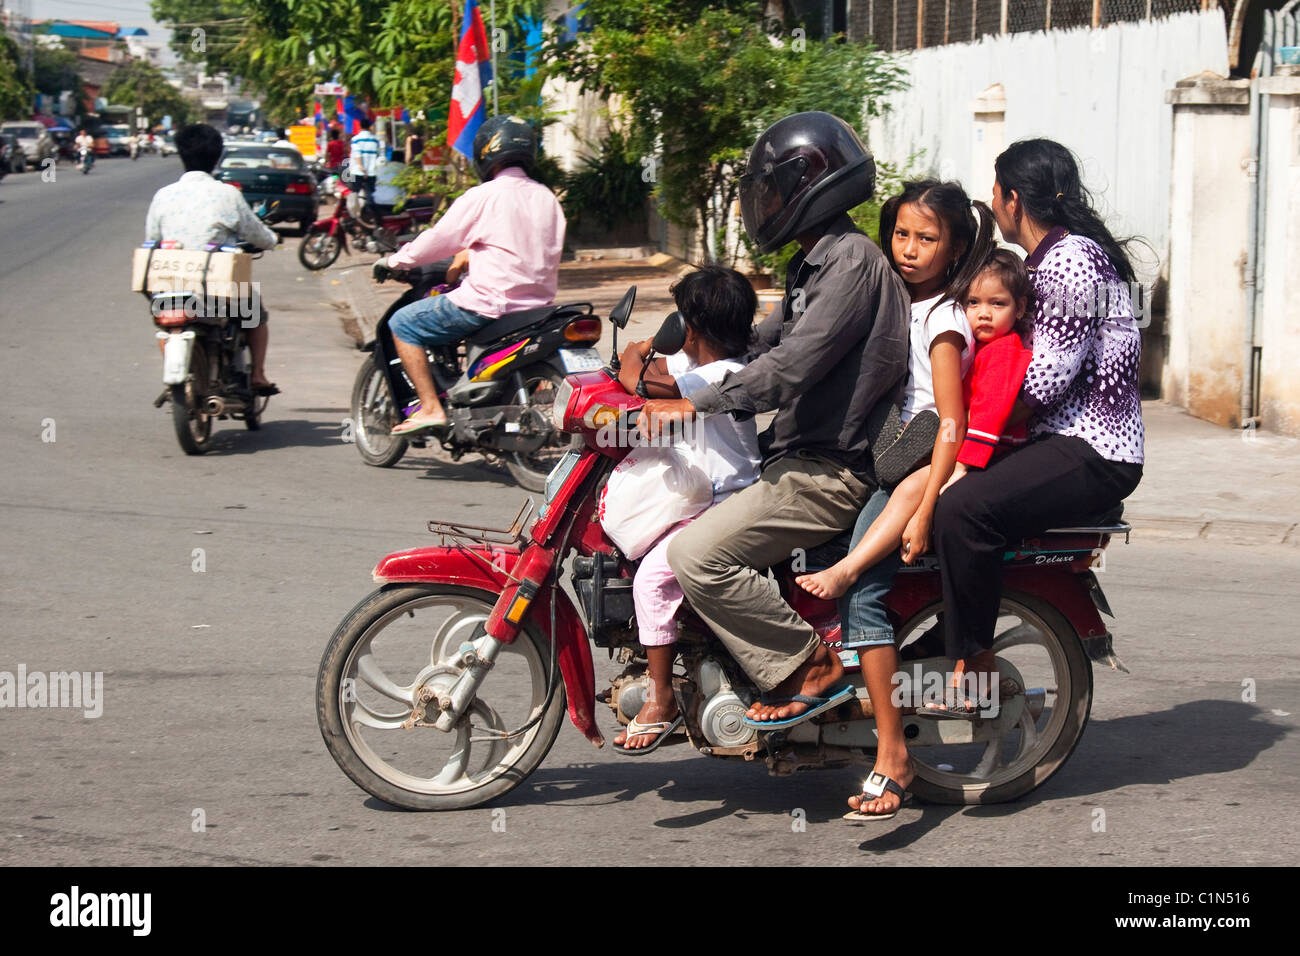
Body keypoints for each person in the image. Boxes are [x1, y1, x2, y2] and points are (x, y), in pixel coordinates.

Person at [638, 111, 910, 757]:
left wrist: (696, 400)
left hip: (829, 471)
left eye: (772, 191)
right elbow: (762, 341)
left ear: (812, 183)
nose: (768, 205)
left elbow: (791, 367)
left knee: (696, 557)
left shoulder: (850, 264)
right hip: (794, 458)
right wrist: (667, 368)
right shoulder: (813, 265)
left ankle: (806, 664)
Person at [931, 138, 1145, 714]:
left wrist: (967, 430)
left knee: (962, 508)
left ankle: (973, 668)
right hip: (1062, 442)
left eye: (996, 192)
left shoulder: (1070, 258)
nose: (992, 202)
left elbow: (1042, 382)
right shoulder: (1044, 260)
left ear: (1013, 199)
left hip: (1094, 449)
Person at [795, 180, 994, 601]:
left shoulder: (943, 321)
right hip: (893, 449)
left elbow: (950, 421)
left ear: (955, 249)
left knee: (863, 596)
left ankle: (845, 575)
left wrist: (925, 510)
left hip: (924, 456)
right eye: (901, 234)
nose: (908, 249)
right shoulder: (903, 299)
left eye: (926, 239)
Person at [607, 267, 763, 751]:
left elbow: (637, 375)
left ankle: (662, 699)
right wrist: (668, 337)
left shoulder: (719, 376)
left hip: (725, 501)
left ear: (691, 330)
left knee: (653, 576)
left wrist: (653, 342)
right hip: (701, 495)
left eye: (682, 320)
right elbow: (636, 369)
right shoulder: (709, 367)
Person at [374, 115, 566, 435]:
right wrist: (467, 254)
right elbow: (520, 243)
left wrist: (396, 262)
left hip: (488, 304)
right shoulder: (547, 198)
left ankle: (431, 408)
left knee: (403, 323)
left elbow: (437, 240)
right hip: (537, 308)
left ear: (485, 152)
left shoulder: (484, 196)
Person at [144, 123, 280, 395]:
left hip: (171, 284)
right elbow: (257, 234)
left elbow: (151, 239)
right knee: (255, 316)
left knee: (164, 319)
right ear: (217, 156)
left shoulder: (163, 196)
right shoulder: (228, 194)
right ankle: (258, 375)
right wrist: (272, 240)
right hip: (218, 287)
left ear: (181, 155)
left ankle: (179, 379)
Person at [347, 118, 383, 203]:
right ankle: (371, 211)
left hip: (357, 171)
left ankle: (356, 213)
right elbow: (378, 154)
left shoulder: (356, 139)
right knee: (371, 193)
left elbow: (357, 152)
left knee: (355, 193)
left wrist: (360, 165)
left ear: (360, 126)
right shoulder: (375, 140)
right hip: (372, 171)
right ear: (369, 127)